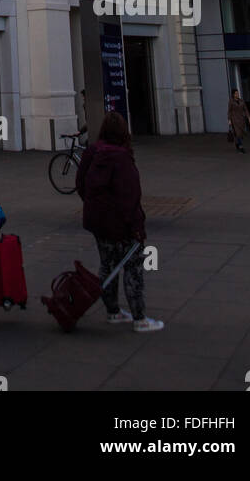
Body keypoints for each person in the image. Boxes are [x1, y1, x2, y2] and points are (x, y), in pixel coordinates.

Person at [75, 111, 162, 333]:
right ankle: (139, 318)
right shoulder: (122, 158)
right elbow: (130, 197)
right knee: (132, 268)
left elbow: (81, 184)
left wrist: (95, 206)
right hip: (121, 225)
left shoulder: (92, 152)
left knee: (107, 264)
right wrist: (137, 228)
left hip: (98, 223)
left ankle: (113, 311)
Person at [227, 88, 250, 152]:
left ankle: (237, 143)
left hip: (241, 119)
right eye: (236, 93)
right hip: (234, 120)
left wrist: (249, 118)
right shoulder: (231, 101)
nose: (237, 94)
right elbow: (229, 111)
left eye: (237, 93)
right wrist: (229, 120)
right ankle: (241, 147)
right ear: (233, 94)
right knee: (238, 133)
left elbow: (246, 110)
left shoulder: (241, 101)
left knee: (240, 134)